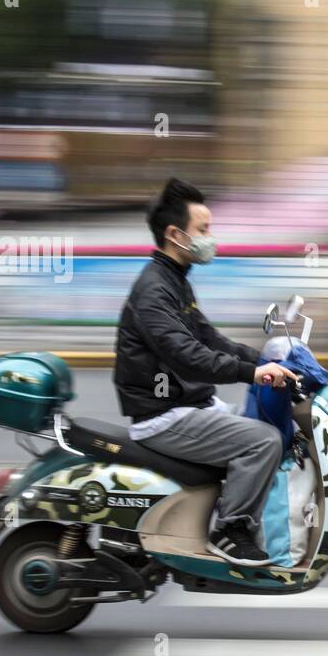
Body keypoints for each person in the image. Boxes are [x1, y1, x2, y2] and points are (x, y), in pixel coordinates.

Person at [113, 178, 298, 565]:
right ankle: (231, 532)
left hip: (190, 406)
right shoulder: (154, 291)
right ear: (174, 235)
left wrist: (268, 361)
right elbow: (187, 357)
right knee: (262, 441)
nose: (210, 238)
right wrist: (253, 373)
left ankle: (245, 522)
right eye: (203, 230)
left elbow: (209, 338)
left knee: (259, 422)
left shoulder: (174, 282)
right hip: (163, 415)